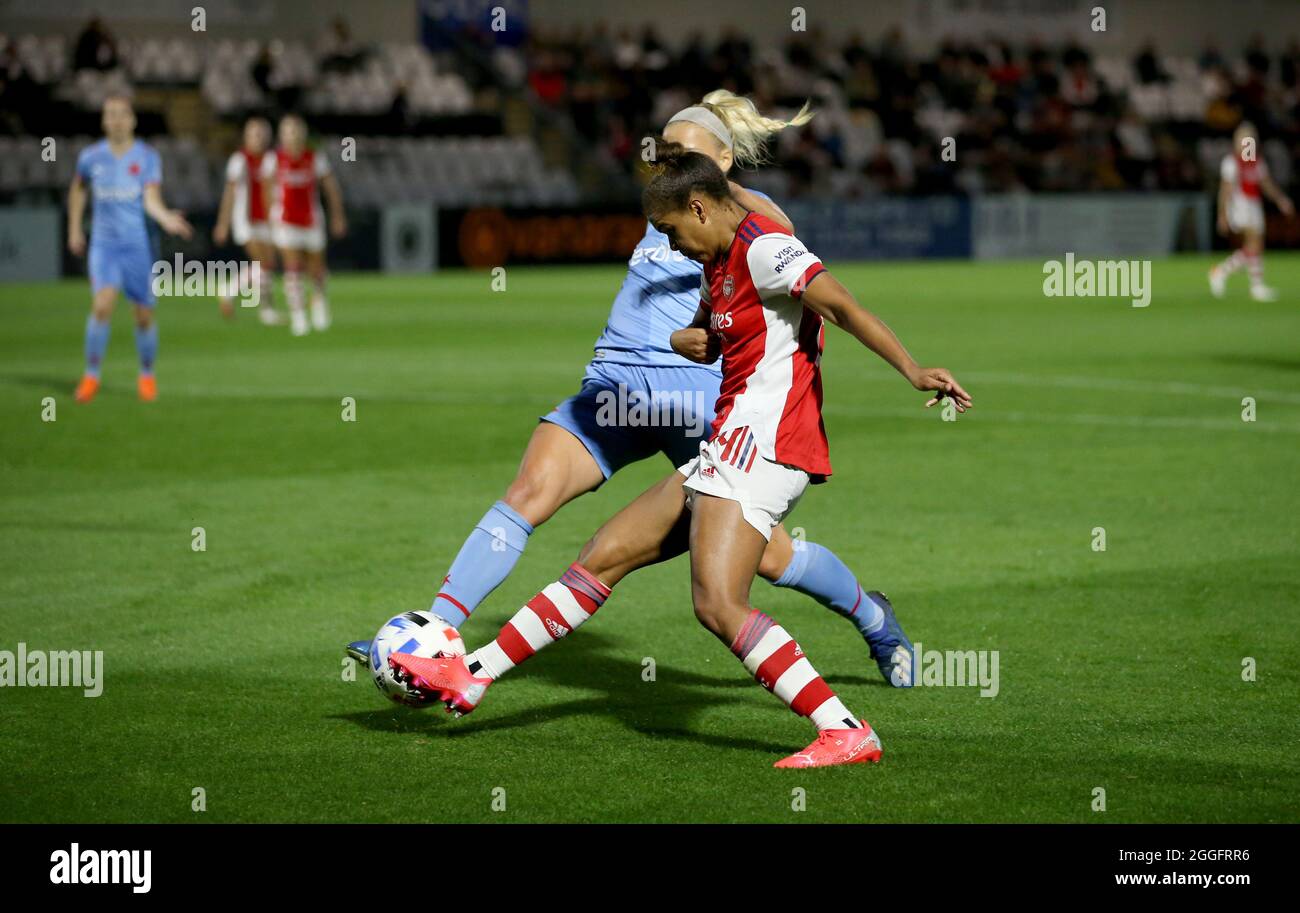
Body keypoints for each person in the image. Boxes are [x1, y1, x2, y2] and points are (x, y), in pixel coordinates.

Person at [391, 145, 972, 768]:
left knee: (718, 605)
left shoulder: (765, 248)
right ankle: (473, 674)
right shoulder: (713, 262)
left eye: (669, 230)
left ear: (699, 207)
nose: (667, 246)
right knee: (601, 558)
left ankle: (845, 729)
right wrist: (685, 338)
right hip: (726, 442)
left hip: (765, 445)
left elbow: (843, 307)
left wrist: (911, 369)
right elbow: (709, 330)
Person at [410, 91, 915, 684]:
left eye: (680, 154)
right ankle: (431, 637)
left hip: (695, 400)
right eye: (662, 152)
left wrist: (715, 183)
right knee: (529, 490)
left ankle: (872, 616)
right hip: (617, 387)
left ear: (719, 163)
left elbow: (783, 242)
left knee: (770, 557)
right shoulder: (665, 213)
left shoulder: (750, 217)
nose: (664, 162)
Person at [68, 95, 193, 403]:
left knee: (143, 315)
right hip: (104, 246)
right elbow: (78, 188)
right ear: (103, 121)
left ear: (133, 120)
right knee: (102, 305)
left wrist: (165, 217)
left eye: (122, 114)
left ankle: (147, 374)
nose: (117, 120)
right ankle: (91, 375)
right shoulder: (90, 157)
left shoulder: (147, 157)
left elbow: (151, 198)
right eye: (110, 115)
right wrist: (74, 228)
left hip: (137, 247)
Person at [261, 114, 346, 336]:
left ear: (303, 133)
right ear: (281, 135)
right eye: (288, 131)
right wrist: (270, 217)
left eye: (296, 130)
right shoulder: (274, 159)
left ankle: (318, 303)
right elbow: (266, 189)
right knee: (292, 269)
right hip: (285, 220)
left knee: (316, 269)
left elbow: (330, 187)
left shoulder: (314, 157)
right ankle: (298, 315)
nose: (293, 135)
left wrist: (337, 215)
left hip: (311, 219)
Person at [1209, 121, 1295, 302]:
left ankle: (1222, 272)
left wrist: (1281, 200)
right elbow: (1225, 190)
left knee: (1256, 246)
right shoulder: (1231, 162)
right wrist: (1222, 214)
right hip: (1239, 204)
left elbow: (1266, 183)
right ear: (1237, 141)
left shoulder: (1256, 161)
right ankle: (1255, 286)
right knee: (1253, 243)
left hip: (1254, 203)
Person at [213, 117, 284, 324]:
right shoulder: (239, 160)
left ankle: (235, 293)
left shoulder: (273, 159)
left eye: (262, 134)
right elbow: (230, 193)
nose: (258, 139)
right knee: (264, 263)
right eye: (254, 134)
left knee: (266, 265)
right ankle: (263, 308)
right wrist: (223, 223)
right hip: (246, 220)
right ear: (246, 136)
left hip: (269, 219)